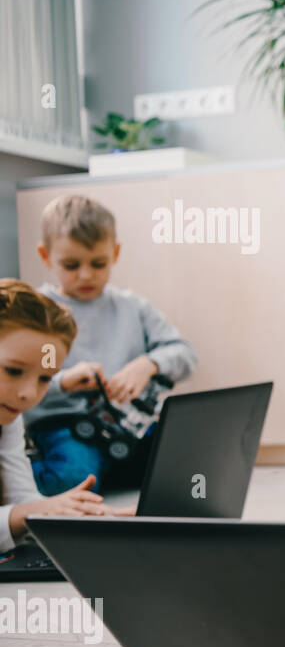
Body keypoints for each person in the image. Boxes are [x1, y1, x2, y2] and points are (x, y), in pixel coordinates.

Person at [26, 194, 197, 495]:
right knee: (72, 478)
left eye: (98, 263)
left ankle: (108, 471)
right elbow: (36, 378)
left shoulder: (132, 308)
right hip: (66, 425)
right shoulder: (44, 315)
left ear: (115, 253)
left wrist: (148, 364)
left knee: (192, 463)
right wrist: (64, 381)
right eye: (71, 265)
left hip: (127, 424)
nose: (86, 274)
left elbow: (183, 353)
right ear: (45, 256)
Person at [0, 279, 127, 554]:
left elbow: (22, 499)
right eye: (13, 371)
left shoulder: (8, 415)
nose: (28, 393)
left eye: (45, 378)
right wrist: (29, 512)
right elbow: (21, 512)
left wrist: (73, 513)